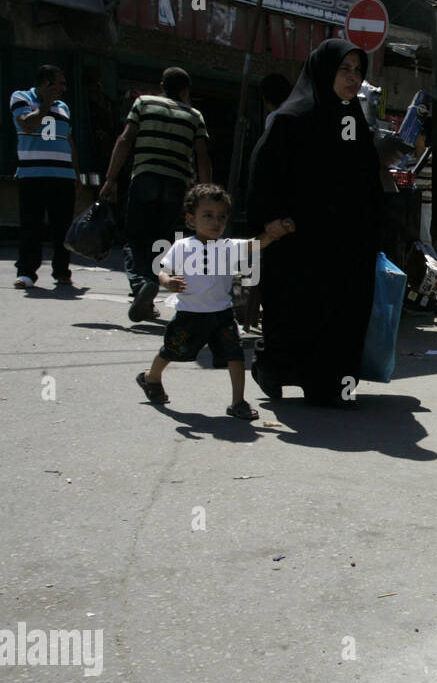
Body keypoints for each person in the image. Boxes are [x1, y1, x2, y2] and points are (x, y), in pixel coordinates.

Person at [246, 39, 383, 408]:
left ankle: (330, 386)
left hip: (347, 243)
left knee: (344, 311)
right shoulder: (293, 119)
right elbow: (264, 174)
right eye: (345, 69)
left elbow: (369, 183)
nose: (353, 78)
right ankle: (271, 366)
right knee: (295, 310)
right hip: (298, 241)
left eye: (358, 71)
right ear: (324, 71)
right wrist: (270, 222)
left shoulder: (353, 121)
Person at [135, 184, 294, 419]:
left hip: (222, 315)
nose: (215, 222)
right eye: (207, 215)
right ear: (191, 219)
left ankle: (238, 402)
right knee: (171, 350)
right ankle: (151, 378)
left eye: (221, 217)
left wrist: (274, 232)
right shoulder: (182, 246)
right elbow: (163, 270)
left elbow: (256, 243)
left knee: (235, 356)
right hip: (189, 315)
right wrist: (168, 282)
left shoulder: (228, 247)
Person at [101, 68, 212, 322]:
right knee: (160, 241)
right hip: (175, 184)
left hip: (145, 178)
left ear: (162, 85)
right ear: (186, 90)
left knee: (133, 239)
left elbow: (126, 138)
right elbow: (202, 156)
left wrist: (110, 179)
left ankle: (142, 285)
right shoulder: (194, 115)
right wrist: (206, 196)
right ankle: (148, 289)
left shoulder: (143, 103)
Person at [10, 64, 81, 289]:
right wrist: (45, 106)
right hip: (33, 173)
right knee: (31, 223)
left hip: (62, 175)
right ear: (46, 83)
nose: (63, 88)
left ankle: (61, 271)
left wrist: (76, 174)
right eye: (59, 83)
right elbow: (27, 125)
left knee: (62, 226)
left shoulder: (63, 107)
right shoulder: (21, 98)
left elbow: (68, 140)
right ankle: (27, 272)